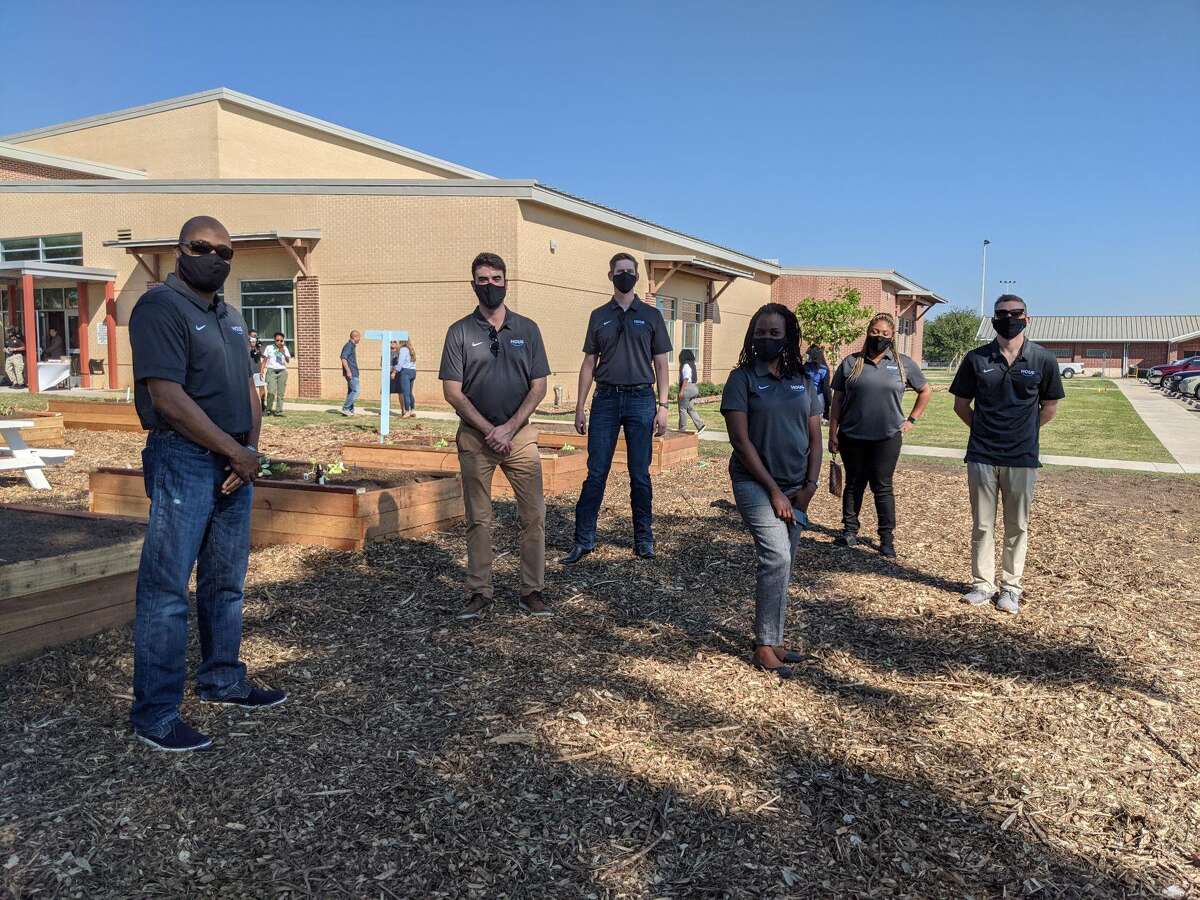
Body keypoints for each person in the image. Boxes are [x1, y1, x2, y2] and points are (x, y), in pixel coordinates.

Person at [127, 215, 285, 752]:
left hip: (234, 463)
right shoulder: (160, 308)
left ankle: (222, 679)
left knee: (225, 582)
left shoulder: (231, 316)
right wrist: (233, 450)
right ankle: (155, 713)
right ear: (180, 251)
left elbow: (248, 387)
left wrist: (249, 453)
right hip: (185, 459)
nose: (214, 258)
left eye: (225, 252)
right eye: (203, 248)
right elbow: (168, 398)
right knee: (167, 589)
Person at [439, 252, 551, 619]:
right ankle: (479, 592)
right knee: (478, 518)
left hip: (519, 438)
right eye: (483, 280)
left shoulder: (527, 329)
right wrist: (490, 430)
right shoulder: (459, 332)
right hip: (475, 438)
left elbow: (539, 386)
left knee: (533, 515)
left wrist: (509, 428)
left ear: (506, 282)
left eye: (496, 279)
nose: (490, 285)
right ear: (473, 284)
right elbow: (453, 392)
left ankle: (531, 590)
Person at [721, 303, 823, 678]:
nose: (766, 338)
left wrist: (809, 487)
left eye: (774, 333)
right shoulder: (741, 379)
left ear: (788, 337)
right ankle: (764, 644)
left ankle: (775, 639)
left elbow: (815, 436)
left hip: (798, 486)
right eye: (760, 333)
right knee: (776, 555)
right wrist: (775, 492)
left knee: (785, 561)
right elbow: (740, 441)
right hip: (754, 484)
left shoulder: (804, 380)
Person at [950, 294, 1064, 615]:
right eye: (1002, 313)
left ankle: (1010, 588)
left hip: (1022, 457)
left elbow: (1050, 406)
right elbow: (961, 405)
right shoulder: (976, 358)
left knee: (1017, 525)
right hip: (982, 455)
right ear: (993, 318)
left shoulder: (1042, 359)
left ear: (1027, 317)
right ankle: (983, 585)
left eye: (1016, 313)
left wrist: (1025, 432)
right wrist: (984, 430)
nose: (1009, 318)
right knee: (983, 524)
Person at [563, 253, 672, 563]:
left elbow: (662, 364)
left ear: (637, 276)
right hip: (606, 401)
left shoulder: (651, 316)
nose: (625, 275)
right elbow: (588, 363)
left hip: (641, 400)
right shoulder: (599, 316)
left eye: (630, 271)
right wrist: (580, 405)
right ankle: (583, 540)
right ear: (610, 276)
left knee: (640, 474)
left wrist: (663, 406)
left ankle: (643, 540)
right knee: (596, 472)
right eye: (619, 271)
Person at [828, 313, 932, 557]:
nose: (879, 336)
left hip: (887, 437)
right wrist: (833, 433)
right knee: (854, 483)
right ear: (868, 332)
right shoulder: (851, 363)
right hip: (852, 435)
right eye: (875, 331)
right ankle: (849, 531)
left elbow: (925, 391)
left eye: (885, 333)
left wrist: (911, 420)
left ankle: (886, 538)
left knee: (882, 486)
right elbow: (837, 400)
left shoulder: (902, 364)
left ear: (892, 336)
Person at [677, 348, 706, 434]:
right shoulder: (692, 364)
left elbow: (686, 378)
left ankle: (682, 429)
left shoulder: (685, 365)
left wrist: (681, 391)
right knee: (690, 408)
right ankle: (700, 425)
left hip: (687, 387)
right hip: (694, 388)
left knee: (682, 409)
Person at [263, 332, 291, 417]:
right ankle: (268, 409)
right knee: (271, 392)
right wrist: (261, 371)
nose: (279, 342)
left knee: (280, 393)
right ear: (274, 340)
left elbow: (288, 361)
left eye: (281, 340)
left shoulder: (285, 348)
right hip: (271, 371)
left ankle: (278, 411)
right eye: (277, 340)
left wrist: (283, 352)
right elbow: (265, 360)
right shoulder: (269, 347)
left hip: (282, 371)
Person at [804, 345, 831, 419]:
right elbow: (826, 389)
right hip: (813, 397)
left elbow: (825, 389)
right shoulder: (824, 369)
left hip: (813, 397)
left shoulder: (805, 368)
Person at [340, 330, 361, 416]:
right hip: (351, 373)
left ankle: (350, 410)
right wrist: (348, 371)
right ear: (355, 337)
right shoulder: (349, 346)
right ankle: (345, 408)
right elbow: (343, 358)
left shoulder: (352, 346)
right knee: (356, 391)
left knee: (351, 391)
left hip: (353, 372)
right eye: (359, 337)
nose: (360, 339)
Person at [396, 337, 418, 417]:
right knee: (410, 392)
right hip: (413, 371)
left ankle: (407, 411)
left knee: (405, 393)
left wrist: (395, 371)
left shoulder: (403, 349)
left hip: (405, 371)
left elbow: (400, 362)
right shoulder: (411, 349)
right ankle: (412, 410)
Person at [248, 331, 266, 410]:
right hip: (248, 372)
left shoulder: (259, 347)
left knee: (261, 388)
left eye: (255, 336)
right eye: (253, 336)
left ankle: (262, 404)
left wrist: (262, 370)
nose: (254, 337)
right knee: (249, 389)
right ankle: (250, 405)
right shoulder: (245, 346)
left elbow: (265, 357)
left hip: (258, 371)